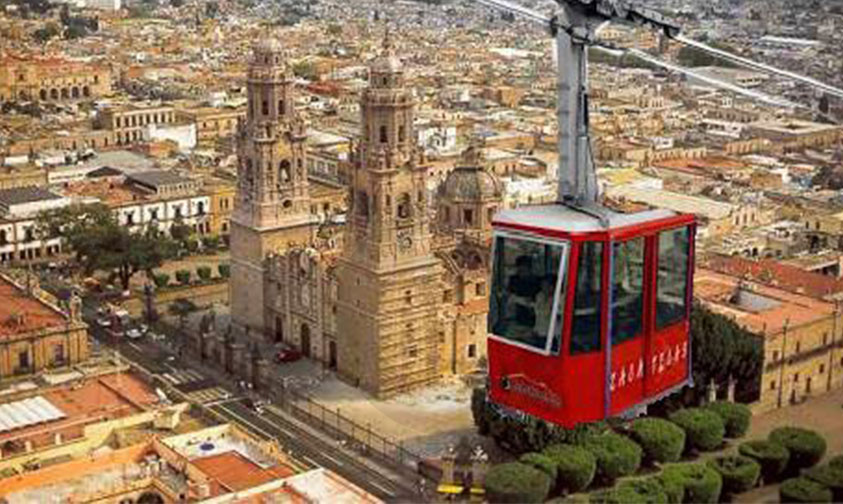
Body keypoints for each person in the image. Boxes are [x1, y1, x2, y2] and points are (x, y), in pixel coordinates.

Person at [507, 255, 541, 330]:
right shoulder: (514, 280)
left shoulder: (536, 281)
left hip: (534, 317)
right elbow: (509, 295)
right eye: (520, 267)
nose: (521, 270)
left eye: (525, 267)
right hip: (516, 315)